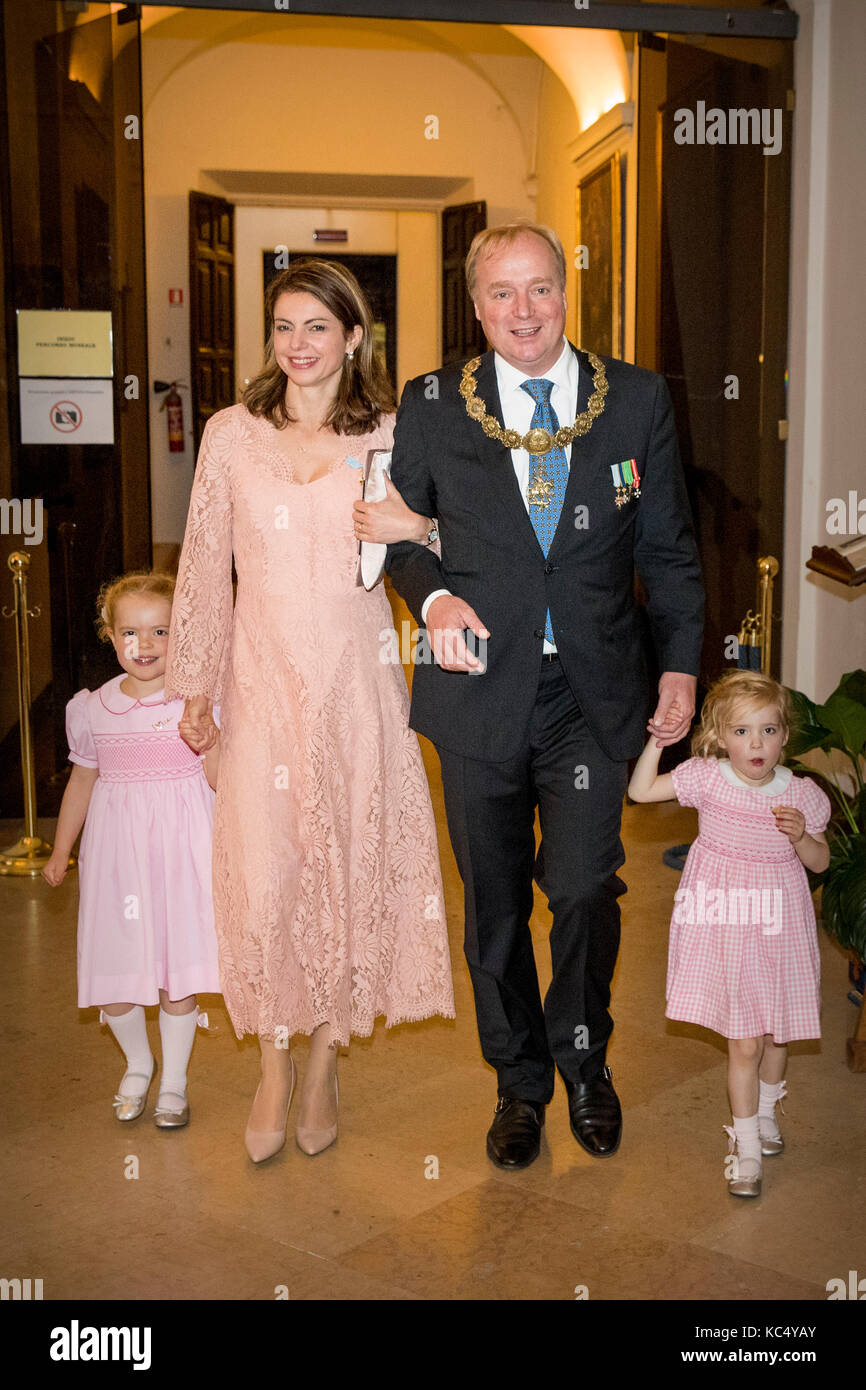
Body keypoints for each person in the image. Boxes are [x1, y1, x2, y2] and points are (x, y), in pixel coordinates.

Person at [384, 222, 704, 1169]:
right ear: (474, 303)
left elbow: (670, 548)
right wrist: (434, 594)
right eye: (500, 293)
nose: (524, 313)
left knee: (579, 889)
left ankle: (584, 1063)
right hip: (478, 691)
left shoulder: (635, 397)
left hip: (591, 693)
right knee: (492, 905)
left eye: (540, 290)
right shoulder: (435, 404)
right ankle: (517, 1084)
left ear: (568, 292)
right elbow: (399, 534)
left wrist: (682, 661)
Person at [164, 257, 454, 1164]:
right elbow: (205, 561)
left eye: (317, 328)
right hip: (259, 678)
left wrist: (422, 529)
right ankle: (272, 1062)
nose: (298, 346)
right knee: (268, 868)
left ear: (354, 338)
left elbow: (455, 539)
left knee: (352, 863)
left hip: (357, 676)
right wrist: (197, 686)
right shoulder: (230, 433)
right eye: (284, 327)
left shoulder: (397, 437)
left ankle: (328, 1056)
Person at [629, 670, 831, 1197]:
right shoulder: (709, 778)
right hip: (723, 921)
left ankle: (766, 1115)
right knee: (744, 1042)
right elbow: (641, 789)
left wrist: (802, 836)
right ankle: (744, 1150)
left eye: (767, 730)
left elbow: (820, 861)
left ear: (785, 735)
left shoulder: (803, 796)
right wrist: (658, 740)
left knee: (776, 1034)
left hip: (778, 925)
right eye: (741, 732)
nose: (755, 744)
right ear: (720, 738)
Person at [42, 572, 220, 1128]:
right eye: (130, 633)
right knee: (116, 971)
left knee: (175, 971)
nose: (144, 645)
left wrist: (211, 740)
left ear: (182, 635)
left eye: (160, 631)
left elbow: (219, 777)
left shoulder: (194, 705)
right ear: (110, 636)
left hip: (181, 852)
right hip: (119, 859)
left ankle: (175, 1081)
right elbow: (81, 783)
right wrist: (59, 850)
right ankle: (138, 1065)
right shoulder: (92, 709)